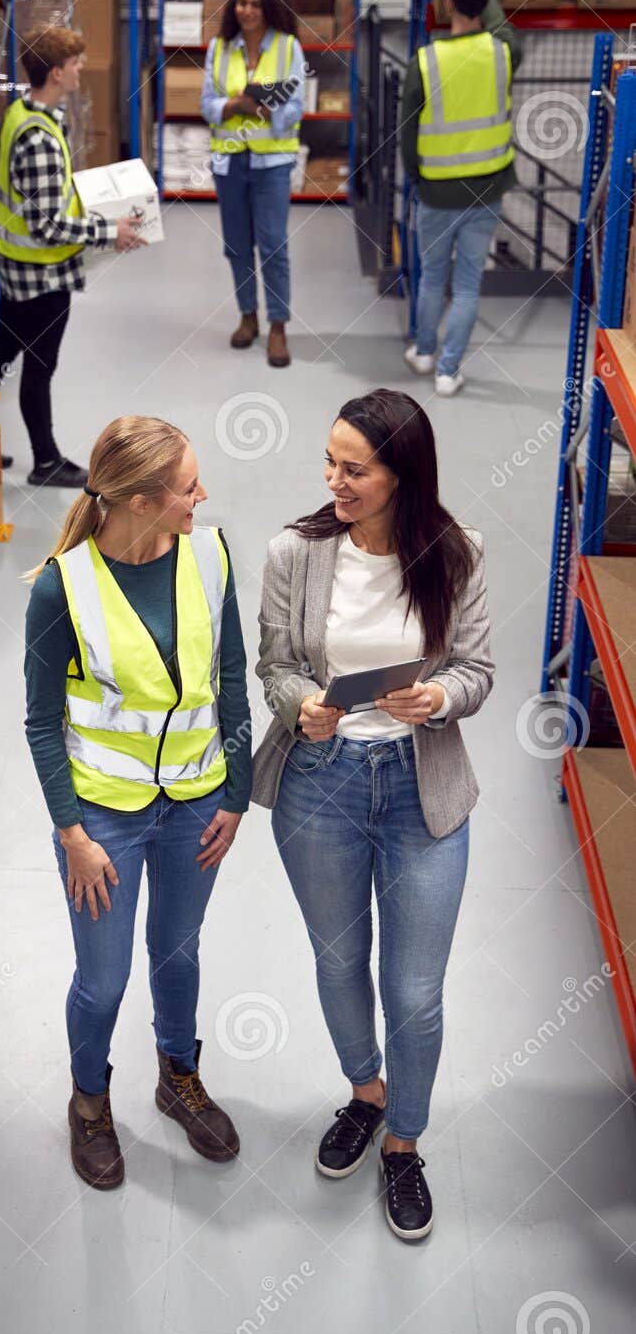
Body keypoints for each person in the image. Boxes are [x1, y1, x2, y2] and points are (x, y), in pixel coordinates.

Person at [251, 389, 493, 1241]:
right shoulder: (296, 551)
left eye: (354, 469)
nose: (334, 480)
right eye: (330, 463)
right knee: (337, 959)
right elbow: (274, 664)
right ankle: (365, 1092)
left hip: (419, 787)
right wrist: (300, 708)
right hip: (320, 781)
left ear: (401, 473)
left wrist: (438, 695)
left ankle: (403, 1142)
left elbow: (478, 669)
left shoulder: (453, 551)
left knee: (415, 991)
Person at [24, 416, 251, 1189]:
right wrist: (71, 835)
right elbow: (39, 722)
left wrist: (237, 794)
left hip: (196, 803)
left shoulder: (210, 558)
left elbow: (230, 685)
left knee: (178, 952)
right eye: (190, 486)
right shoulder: (62, 587)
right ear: (145, 502)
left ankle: (176, 1075)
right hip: (104, 823)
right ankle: (89, 1102)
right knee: (104, 977)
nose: (203, 496)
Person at [0, 25, 143, 489]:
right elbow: (47, 225)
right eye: (74, 63)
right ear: (56, 73)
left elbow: (45, 203)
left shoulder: (27, 112)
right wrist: (107, 231)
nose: (80, 70)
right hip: (41, 273)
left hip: (21, 267)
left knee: (0, 353)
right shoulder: (38, 138)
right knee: (39, 364)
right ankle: (46, 461)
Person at [401, 0, 522, 397]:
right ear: (484, 3)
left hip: (436, 193)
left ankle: (425, 352)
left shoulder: (426, 62)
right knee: (469, 284)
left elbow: (407, 135)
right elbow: (504, 27)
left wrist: (416, 177)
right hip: (487, 190)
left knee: (433, 277)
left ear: (447, 5)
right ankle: (448, 373)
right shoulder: (504, 52)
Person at [199, 0, 305, 368]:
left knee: (274, 244)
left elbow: (297, 108)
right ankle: (248, 316)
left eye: (255, 4)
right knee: (237, 245)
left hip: (272, 161)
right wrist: (233, 107)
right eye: (241, 3)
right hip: (230, 159)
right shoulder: (220, 48)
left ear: (270, 8)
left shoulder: (288, 47)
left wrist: (268, 110)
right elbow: (207, 103)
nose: (246, 10)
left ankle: (278, 326)